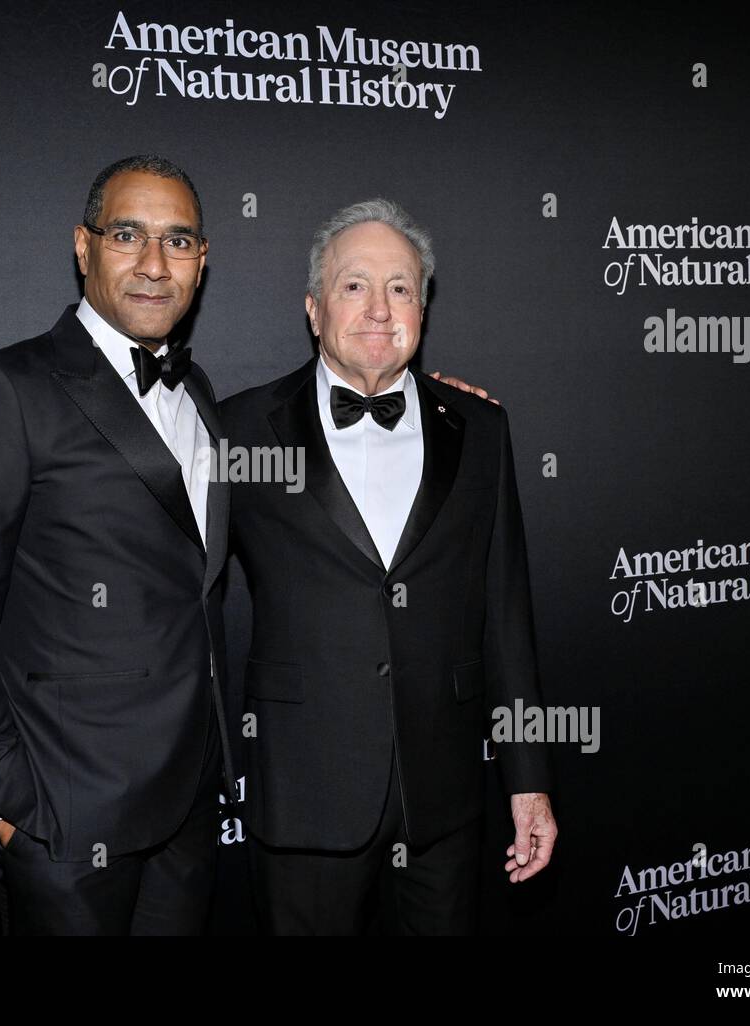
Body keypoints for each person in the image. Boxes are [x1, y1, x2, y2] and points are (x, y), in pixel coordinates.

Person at [0, 155, 237, 934]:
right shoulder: (5, 391)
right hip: (61, 818)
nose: (155, 265)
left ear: (203, 259)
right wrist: (6, 806)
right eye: (128, 235)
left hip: (188, 805)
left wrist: (424, 402)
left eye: (179, 241)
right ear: (83, 247)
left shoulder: (199, 392)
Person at [220, 198, 559, 935]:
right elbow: (187, 600)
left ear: (423, 307)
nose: (379, 309)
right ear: (314, 309)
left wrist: (528, 783)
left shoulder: (480, 430)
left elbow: (506, 620)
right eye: (354, 285)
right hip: (304, 796)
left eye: (400, 287)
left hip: (441, 802)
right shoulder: (237, 430)